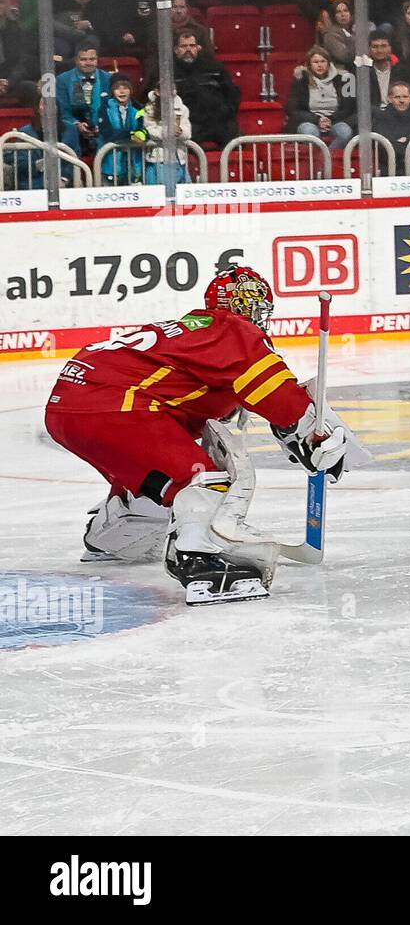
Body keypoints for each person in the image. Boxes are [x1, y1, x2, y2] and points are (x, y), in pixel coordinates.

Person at [45, 265, 364, 604]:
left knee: (158, 473)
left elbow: (248, 394)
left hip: (70, 406)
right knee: (205, 475)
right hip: (115, 406)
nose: (256, 316)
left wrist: (290, 426)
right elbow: (277, 395)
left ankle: (113, 536)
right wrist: (308, 430)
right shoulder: (232, 332)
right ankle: (203, 561)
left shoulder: (197, 333)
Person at [171, 29, 241, 147]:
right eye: (183, 46)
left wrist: (225, 112)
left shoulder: (215, 68)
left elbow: (232, 94)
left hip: (218, 122)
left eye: (192, 45)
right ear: (176, 49)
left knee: (235, 141)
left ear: (198, 48)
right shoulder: (168, 71)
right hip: (186, 125)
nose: (188, 50)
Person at [285, 45, 356, 149]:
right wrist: (317, 119)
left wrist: (331, 119)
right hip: (310, 122)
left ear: (328, 63)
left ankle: (326, 160)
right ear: (309, 65)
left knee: (345, 132)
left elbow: (348, 108)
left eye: (323, 61)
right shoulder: (301, 81)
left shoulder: (342, 80)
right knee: (310, 132)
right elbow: (292, 109)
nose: (319, 65)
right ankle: (320, 162)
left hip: (335, 121)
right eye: (315, 62)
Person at [56, 41, 112, 155]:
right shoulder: (63, 80)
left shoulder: (108, 78)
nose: (88, 63)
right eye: (83, 59)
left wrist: (101, 125)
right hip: (74, 133)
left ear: (97, 60)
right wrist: (77, 124)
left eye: (92, 59)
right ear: (76, 60)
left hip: (103, 132)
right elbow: (62, 110)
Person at [95, 72, 147, 182]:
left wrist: (143, 134)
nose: (122, 91)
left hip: (134, 166)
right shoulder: (105, 109)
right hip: (111, 165)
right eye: (117, 88)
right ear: (112, 91)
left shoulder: (139, 109)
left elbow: (145, 129)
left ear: (131, 90)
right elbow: (108, 133)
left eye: (125, 88)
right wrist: (130, 135)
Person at [141, 88, 192, 185]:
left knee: (183, 197)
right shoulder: (149, 109)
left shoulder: (182, 108)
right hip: (159, 160)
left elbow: (188, 132)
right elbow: (150, 131)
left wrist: (180, 132)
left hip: (180, 160)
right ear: (157, 92)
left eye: (172, 88)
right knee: (160, 196)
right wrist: (168, 132)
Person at [319, 0, 356, 68]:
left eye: (346, 10)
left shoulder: (354, 32)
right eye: (338, 12)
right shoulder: (330, 35)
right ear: (334, 16)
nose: (343, 14)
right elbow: (344, 57)